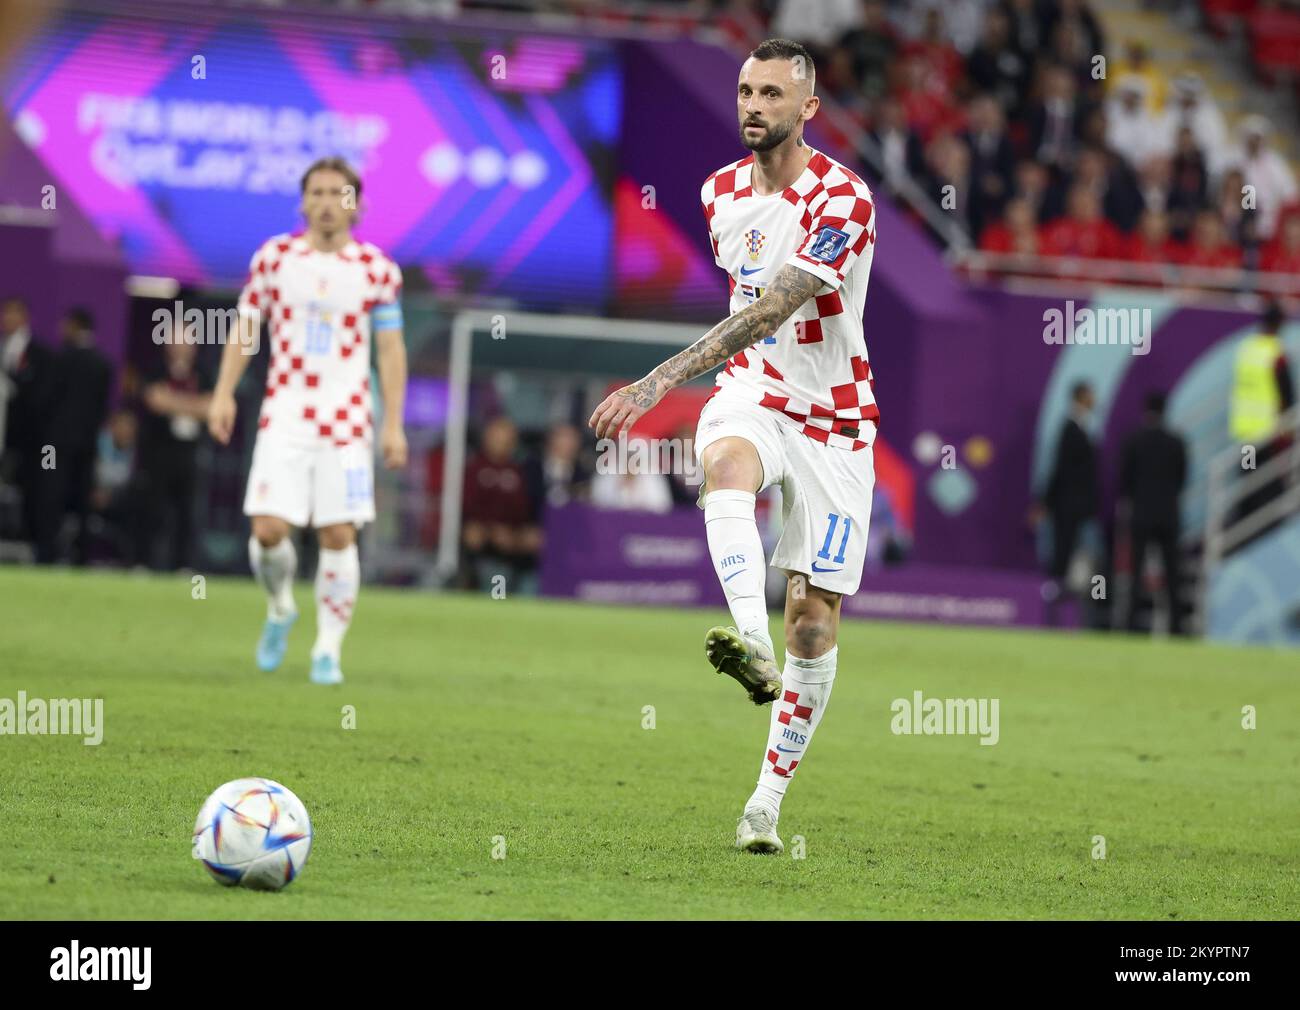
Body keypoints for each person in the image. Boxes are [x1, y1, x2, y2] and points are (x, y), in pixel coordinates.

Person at [589, 39, 879, 856]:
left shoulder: (842, 199)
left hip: (836, 418)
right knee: (725, 466)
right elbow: (747, 325)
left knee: (815, 626)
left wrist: (657, 380)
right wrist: (694, 384)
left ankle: (765, 804)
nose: (754, 105)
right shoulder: (718, 192)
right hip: (753, 391)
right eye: (746, 91)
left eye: (773, 94)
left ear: (808, 109)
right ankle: (748, 639)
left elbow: (773, 307)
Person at [207, 156, 408, 685]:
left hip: (347, 419)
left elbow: (389, 350)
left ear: (357, 205)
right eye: (316, 192)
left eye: (338, 194)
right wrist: (224, 393)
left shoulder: (376, 269)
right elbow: (246, 330)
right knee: (269, 529)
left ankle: (327, 649)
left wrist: (394, 423)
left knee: (339, 533)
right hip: (286, 411)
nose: (326, 203)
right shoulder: (275, 259)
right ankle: (279, 607)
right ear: (302, 201)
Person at [40, 307, 113, 564]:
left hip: (54, 447)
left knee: (51, 496)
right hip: (87, 445)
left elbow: (46, 402)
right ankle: (82, 557)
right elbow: (103, 407)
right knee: (83, 501)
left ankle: (47, 553)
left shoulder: (61, 360)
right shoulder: (102, 363)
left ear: (74, 326)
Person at [137, 338, 210, 570]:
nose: (181, 347)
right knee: (152, 508)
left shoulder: (203, 372)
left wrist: (172, 401)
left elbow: (209, 407)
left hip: (189, 452)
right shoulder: (155, 369)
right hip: (159, 451)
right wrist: (192, 405)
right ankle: (144, 563)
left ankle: (183, 566)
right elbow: (154, 401)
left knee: (187, 511)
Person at [1119, 392, 1187, 634]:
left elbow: (1125, 480)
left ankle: (1131, 625)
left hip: (1142, 515)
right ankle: (1176, 627)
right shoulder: (1176, 442)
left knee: (1136, 573)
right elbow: (1181, 479)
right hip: (1169, 516)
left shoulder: (1134, 440)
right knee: (1173, 573)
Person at [1229, 301, 1295, 530]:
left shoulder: (1246, 349)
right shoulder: (1276, 353)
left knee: (1249, 483)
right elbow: (1286, 396)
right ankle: (1261, 533)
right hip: (1268, 435)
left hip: (1246, 435)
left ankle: (1242, 533)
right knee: (1269, 487)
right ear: (1279, 324)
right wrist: (1289, 429)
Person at [0, 296, 56, 555]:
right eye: (4, 314)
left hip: (32, 443)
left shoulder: (40, 354)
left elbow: (41, 399)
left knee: (31, 492)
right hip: (4, 437)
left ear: (24, 318)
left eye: (13, 314)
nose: (7, 319)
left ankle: (31, 544)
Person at [1037, 381, 1100, 602]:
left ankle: (1067, 594)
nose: (1095, 399)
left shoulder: (1083, 426)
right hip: (1067, 502)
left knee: (1075, 549)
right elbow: (1061, 467)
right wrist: (1044, 501)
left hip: (1079, 503)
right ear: (1081, 396)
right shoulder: (1069, 428)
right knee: (1063, 547)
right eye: (1091, 394)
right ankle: (1054, 594)